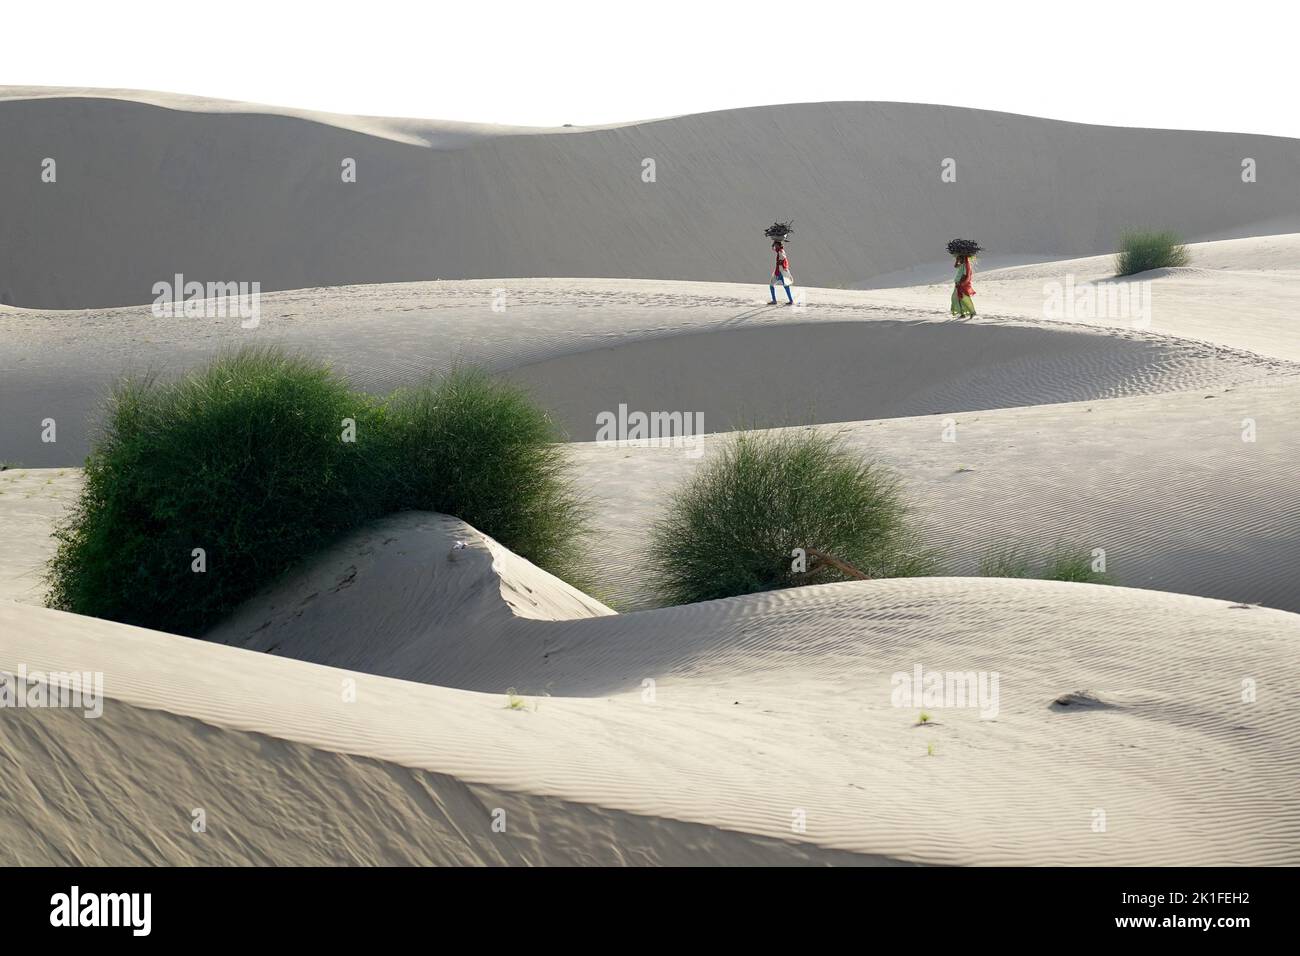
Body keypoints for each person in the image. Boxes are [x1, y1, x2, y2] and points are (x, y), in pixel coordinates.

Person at [769, 239, 794, 305]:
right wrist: (773, 244)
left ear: (779, 245)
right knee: (771, 285)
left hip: (782, 271)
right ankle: (774, 300)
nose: (776, 246)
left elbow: (783, 257)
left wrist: (781, 260)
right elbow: (774, 249)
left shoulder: (781, 251)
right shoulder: (779, 251)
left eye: (776, 245)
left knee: (786, 286)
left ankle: (791, 301)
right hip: (778, 271)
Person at [951, 252, 976, 317]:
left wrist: (960, 282)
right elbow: (955, 266)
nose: (959, 260)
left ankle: (971, 312)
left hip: (961, 284)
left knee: (964, 298)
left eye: (960, 258)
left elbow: (965, 275)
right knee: (957, 298)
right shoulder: (962, 264)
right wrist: (957, 260)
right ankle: (963, 313)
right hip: (958, 283)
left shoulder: (965, 265)